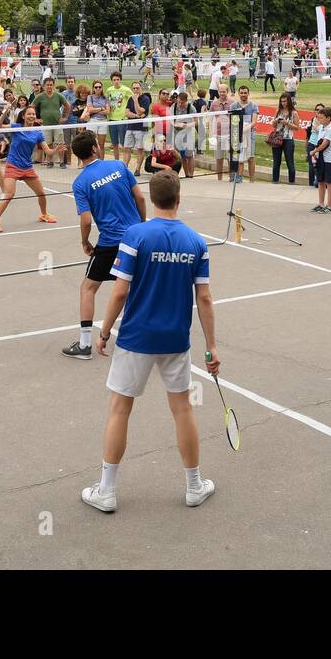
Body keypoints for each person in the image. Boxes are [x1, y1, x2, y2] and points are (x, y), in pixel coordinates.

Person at [82, 170, 217, 513]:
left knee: (120, 409)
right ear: (179, 198)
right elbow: (204, 299)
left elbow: (121, 290)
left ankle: (107, 491)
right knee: (183, 409)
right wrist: (212, 347)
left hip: (136, 338)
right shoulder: (196, 242)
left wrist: (103, 331)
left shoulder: (135, 236)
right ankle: (193, 487)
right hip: (175, 340)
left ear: (151, 199)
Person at [64, 131, 147, 361]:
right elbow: (140, 198)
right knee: (137, 286)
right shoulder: (119, 166)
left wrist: (84, 241)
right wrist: (141, 227)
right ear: (94, 149)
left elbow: (86, 220)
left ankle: (84, 345)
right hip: (136, 239)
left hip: (110, 244)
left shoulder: (80, 183)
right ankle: (142, 336)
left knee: (88, 288)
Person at [0, 105, 57, 232]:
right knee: (9, 194)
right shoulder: (16, 127)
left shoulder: (37, 132)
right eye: (29, 114)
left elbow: (47, 150)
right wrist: (5, 112)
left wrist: (55, 150)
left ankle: (44, 214)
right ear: (24, 116)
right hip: (13, 165)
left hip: (27, 167)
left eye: (34, 114)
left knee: (41, 193)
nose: (32, 116)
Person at [311, 106, 331, 213]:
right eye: (319, 117)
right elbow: (319, 141)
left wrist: (314, 151)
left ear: (328, 118)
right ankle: (321, 204)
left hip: (328, 160)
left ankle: (329, 205)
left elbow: (324, 144)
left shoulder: (330, 130)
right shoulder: (321, 128)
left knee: (329, 182)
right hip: (320, 159)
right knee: (321, 181)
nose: (319, 119)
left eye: (321, 118)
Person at [230, 85, 259, 183]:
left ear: (248, 93)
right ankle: (236, 177)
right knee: (236, 156)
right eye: (241, 93)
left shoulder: (254, 106)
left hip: (250, 135)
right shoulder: (234, 106)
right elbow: (231, 120)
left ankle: (252, 180)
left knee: (250, 157)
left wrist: (244, 129)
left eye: (245, 93)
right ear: (238, 94)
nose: (243, 95)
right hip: (236, 135)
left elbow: (254, 121)